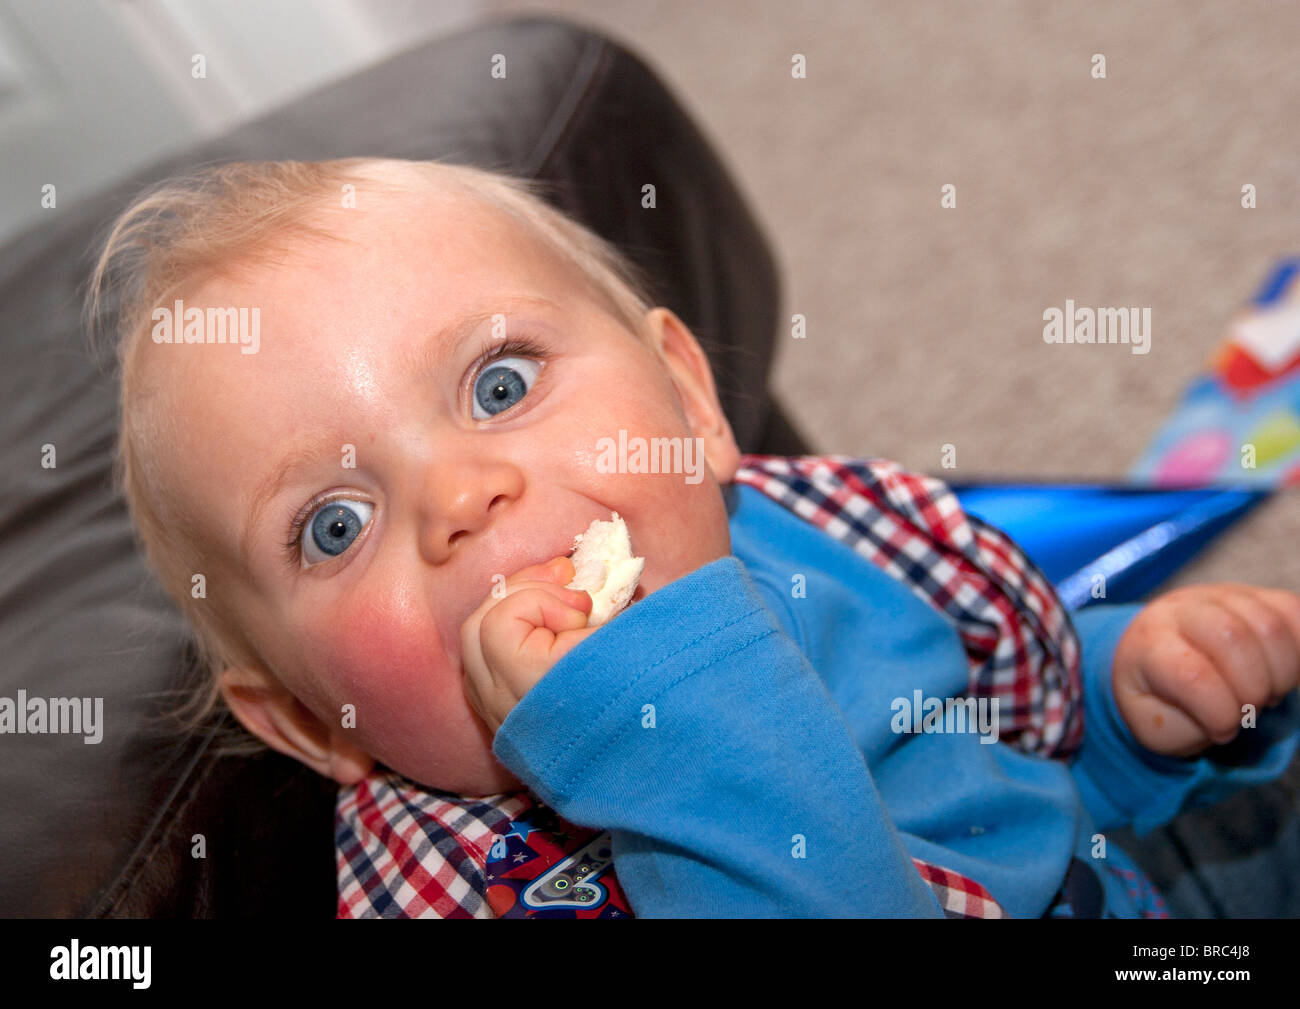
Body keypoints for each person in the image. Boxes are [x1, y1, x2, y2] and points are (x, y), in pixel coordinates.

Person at [87, 157, 1300, 917]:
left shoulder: (825, 534)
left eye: (500, 386)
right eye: (335, 524)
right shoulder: (463, 888)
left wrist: (1130, 691)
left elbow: (1017, 734)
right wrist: (660, 727)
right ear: (312, 722)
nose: (459, 496)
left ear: (690, 401)